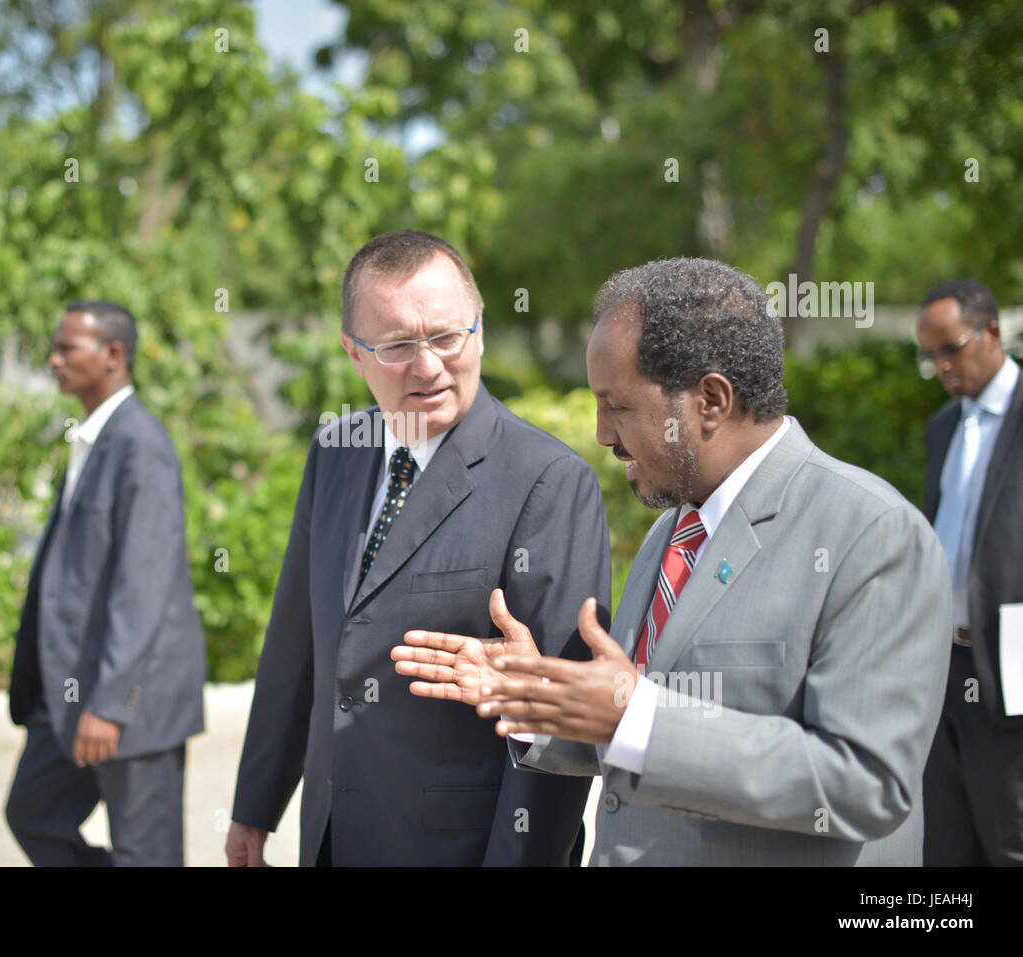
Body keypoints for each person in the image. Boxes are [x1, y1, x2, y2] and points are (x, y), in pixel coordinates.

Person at [395, 257, 952, 865]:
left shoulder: (873, 536)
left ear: (710, 400)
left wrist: (636, 716)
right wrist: (540, 696)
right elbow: (634, 735)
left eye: (618, 406)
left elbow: (864, 785)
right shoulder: (674, 530)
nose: (603, 433)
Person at [227, 229, 610, 866]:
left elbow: (556, 717)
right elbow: (298, 644)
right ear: (354, 353)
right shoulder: (335, 452)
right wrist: (254, 808)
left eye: (446, 337)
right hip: (330, 839)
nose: (428, 366)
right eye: (399, 345)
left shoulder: (549, 482)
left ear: (480, 331)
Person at [5, 301, 205, 866]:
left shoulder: (140, 445)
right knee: (31, 813)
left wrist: (112, 703)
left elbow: (143, 585)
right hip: (72, 692)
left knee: (147, 854)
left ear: (113, 355)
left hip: (129, 702)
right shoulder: (97, 438)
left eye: (67, 348)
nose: (53, 360)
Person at [916, 279, 1023, 866]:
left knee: (1009, 835)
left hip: (1015, 660)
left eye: (951, 349)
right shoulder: (943, 427)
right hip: (946, 661)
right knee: (945, 840)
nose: (941, 366)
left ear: (992, 332)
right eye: (930, 356)